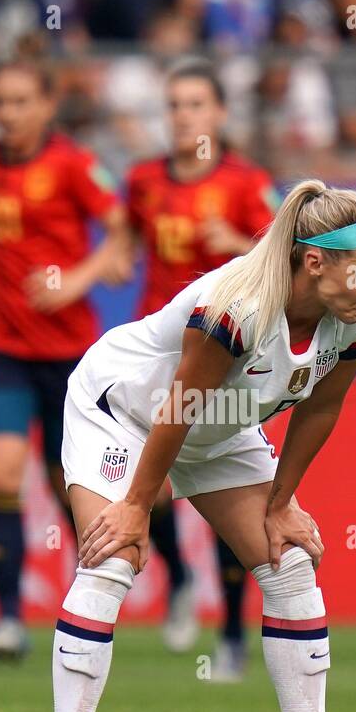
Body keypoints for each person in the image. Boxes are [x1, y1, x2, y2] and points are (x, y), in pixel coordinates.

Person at [45, 179, 356, 712]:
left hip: (219, 427)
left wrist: (280, 503)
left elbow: (319, 410)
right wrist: (134, 507)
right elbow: (178, 403)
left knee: (288, 563)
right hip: (124, 413)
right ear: (314, 262)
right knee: (112, 558)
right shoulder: (238, 305)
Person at [0, 59, 129, 660]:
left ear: (46, 105)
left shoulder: (73, 164)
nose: (9, 114)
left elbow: (122, 229)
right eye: (2, 102)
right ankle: (8, 617)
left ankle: (87, 597)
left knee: (66, 482)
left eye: (21, 102)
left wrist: (78, 279)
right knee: (2, 474)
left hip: (69, 352)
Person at [125, 58, 280, 671]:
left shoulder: (247, 184)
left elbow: (286, 257)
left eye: (194, 104)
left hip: (229, 355)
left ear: (218, 114)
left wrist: (236, 245)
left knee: (229, 489)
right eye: (174, 104)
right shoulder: (142, 181)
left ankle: (235, 637)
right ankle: (179, 576)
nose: (183, 115)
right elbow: (124, 242)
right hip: (162, 355)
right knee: (153, 486)